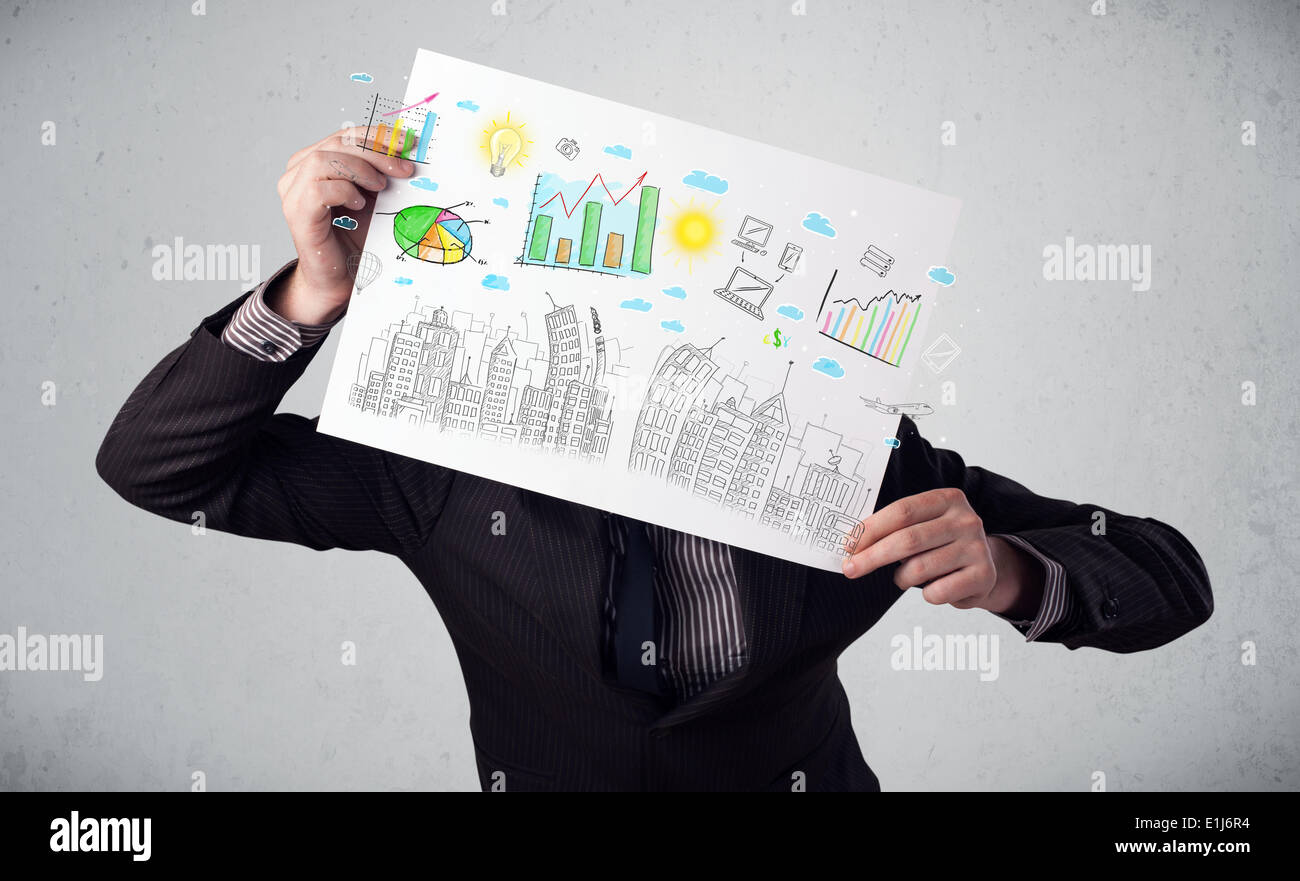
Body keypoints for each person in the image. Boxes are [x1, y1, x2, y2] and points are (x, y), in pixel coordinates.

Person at [95, 127, 1213, 791]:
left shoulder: (856, 461)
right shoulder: (442, 470)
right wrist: (309, 296)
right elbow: (159, 465)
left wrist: (1015, 566)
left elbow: (1167, 575)